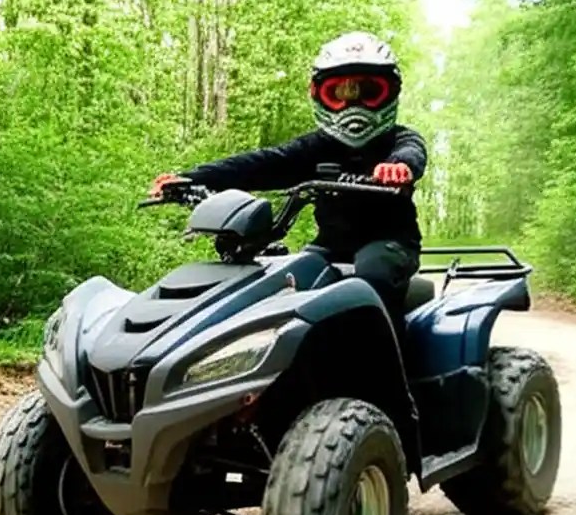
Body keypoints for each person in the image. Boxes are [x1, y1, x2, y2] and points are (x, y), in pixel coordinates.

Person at [148, 31, 426, 334]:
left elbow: (411, 152)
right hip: (329, 247)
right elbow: (260, 163)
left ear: (391, 92)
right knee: (283, 282)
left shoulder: (399, 139)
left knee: (374, 272)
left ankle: (383, 372)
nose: (352, 104)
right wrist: (191, 178)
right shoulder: (316, 147)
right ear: (319, 94)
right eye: (339, 94)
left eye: (368, 91)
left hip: (391, 243)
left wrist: (399, 167)